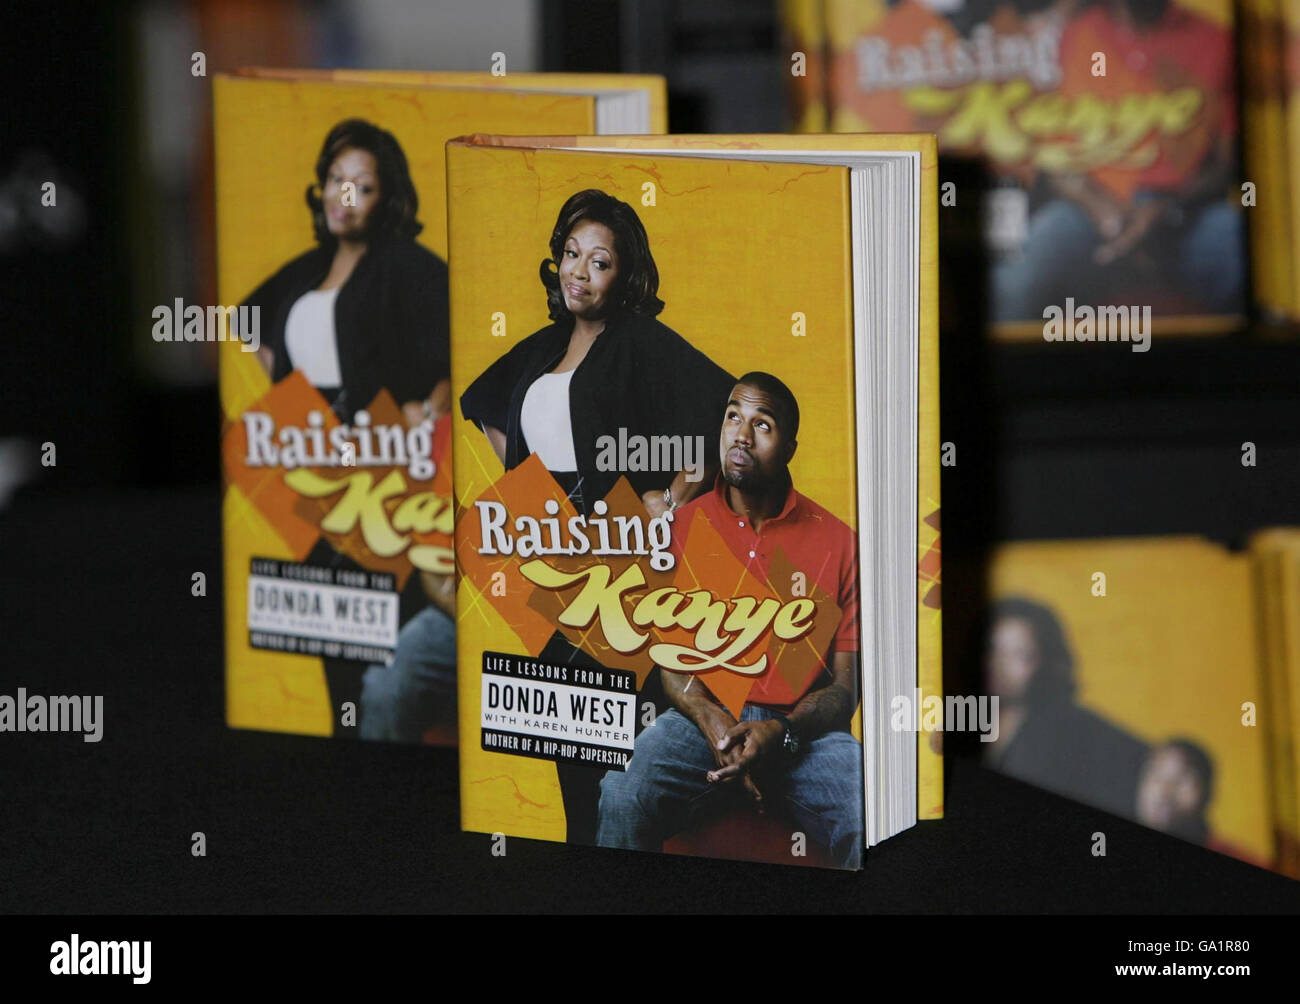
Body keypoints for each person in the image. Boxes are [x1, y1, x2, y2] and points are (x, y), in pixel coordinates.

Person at [460, 188, 735, 840]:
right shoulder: (541, 348)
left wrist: (671, 498)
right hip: (554, 558)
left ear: (624, 273)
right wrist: (532, 495)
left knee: (622, 743)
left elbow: (725, 410)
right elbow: (484, 404)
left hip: (624, 562)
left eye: (600, 261)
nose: (579, 271)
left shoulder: (640, 341)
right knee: (567, 727)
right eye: (571, 253)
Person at [239, 118, 455, 740]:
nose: (345, 195)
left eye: (363, 184)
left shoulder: (409, 267)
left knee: (385, 645)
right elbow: (251, 325)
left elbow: (451, 364)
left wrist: (426, 411)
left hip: (384, 474)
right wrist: (292, 412)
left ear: (387, 197)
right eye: (336, 179)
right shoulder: (306, 269)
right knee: (328, 626)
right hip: (311, 467)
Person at [596, 373, 865, 868]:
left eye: (762, 424)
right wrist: (710, 719)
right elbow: (673, 664)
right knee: (621, 790)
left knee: (869, 805)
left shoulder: (839, 542)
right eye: (732, 417)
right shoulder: (682, 528)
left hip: (803, 734)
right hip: (703, 723)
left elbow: (846, 687)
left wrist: (782, 733)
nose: (741, 435)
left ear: (790, 448)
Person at [982, 597, 1148, 819]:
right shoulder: (952, 719)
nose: (999, 664)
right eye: (992, 648)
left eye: (1021, 654)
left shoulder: (1075, 730)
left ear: (1046, 662)